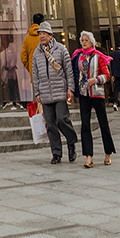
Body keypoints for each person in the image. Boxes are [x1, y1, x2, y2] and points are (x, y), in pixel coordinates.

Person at [29, 21, 73, 165]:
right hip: (45, 94)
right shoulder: (37, 52)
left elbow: (69, 71)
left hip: (60, 91)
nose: (41, 36)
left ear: (50, 35)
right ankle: (56, 153)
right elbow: (35, 74)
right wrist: (37, 92)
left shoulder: (61, 49)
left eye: (43, 33)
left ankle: (71, 141)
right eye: (39, 34)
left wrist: (70, 89)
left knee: (62, 120)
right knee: (50, 125)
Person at [72, 31, 115, 169]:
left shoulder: (98, 56)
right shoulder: (78, 56)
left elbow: (107, 75)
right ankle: (88, 156)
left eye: (86, 40)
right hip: (84, 93)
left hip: (97, 93)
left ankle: (108, 152)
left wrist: (95, 80)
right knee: (85, 124)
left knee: (103, 123)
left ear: (92, 42)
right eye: (82, 40)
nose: (84, 42)